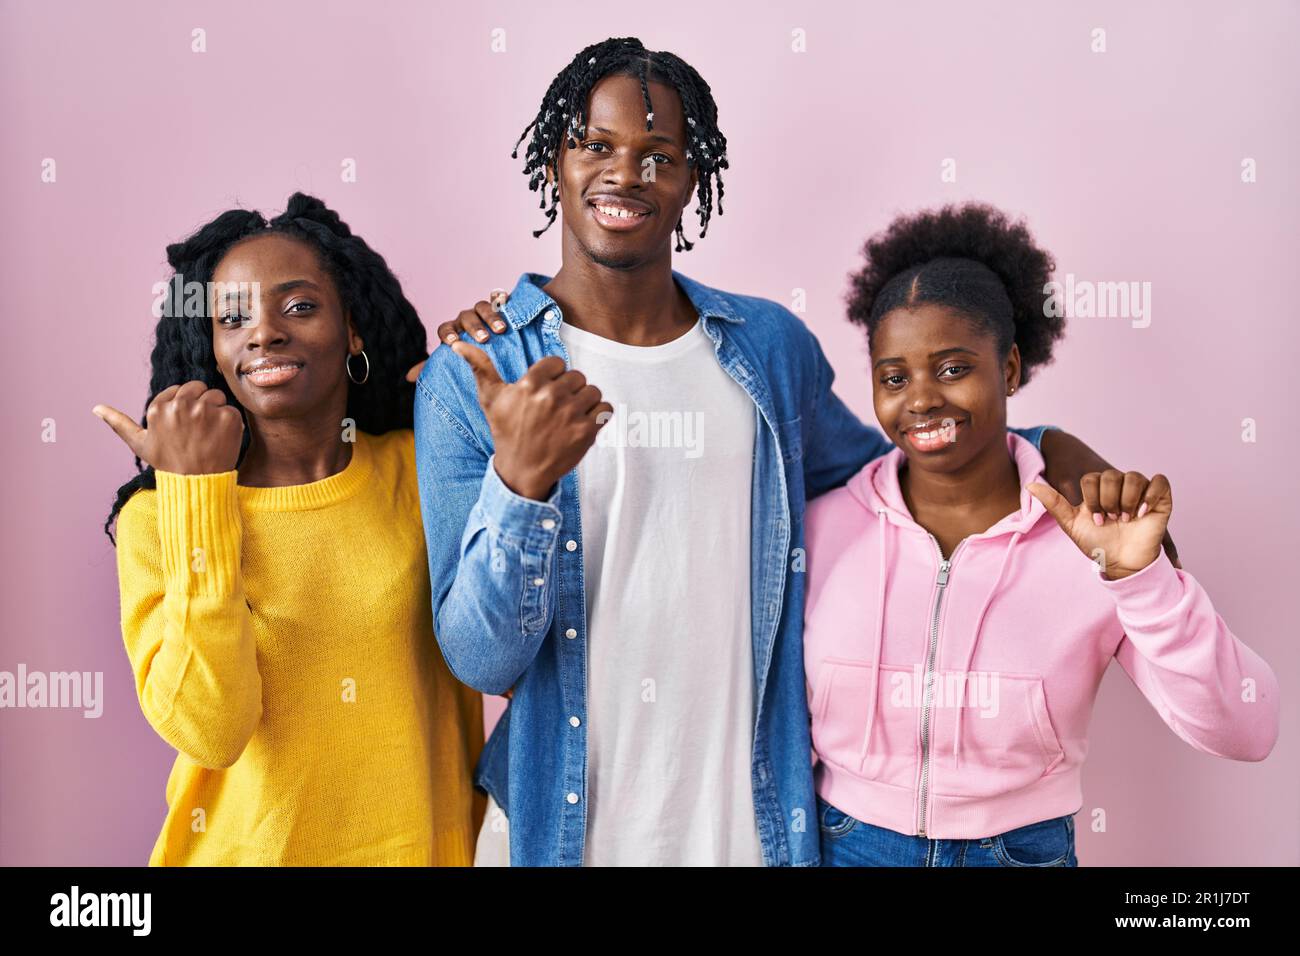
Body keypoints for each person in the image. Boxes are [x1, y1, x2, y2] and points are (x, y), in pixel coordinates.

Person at [412, 38, 1123, 866]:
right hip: (557, 826)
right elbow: (477, 657)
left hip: (752, 823)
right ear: (553, 164)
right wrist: (522, 484)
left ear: (693, 181)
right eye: (594, 146)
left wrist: (1044, 447)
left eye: (659, 156)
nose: (623, 174)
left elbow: (893, 475)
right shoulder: (474, 376)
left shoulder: (769, 351)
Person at [804, 202, 1279, 866]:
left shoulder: (1091, 536)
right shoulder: (823, 527)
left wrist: (1143, 582)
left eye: (951, 368)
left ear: (1010, 368)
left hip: (1021, 852)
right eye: (894, 377)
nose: (920, 400)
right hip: (843, 846)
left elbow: (1246, 729)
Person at [96, 193, 485, 865]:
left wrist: (488, 389)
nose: (265, 333)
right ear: (211, 349)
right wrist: (197, 494)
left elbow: (517, 643)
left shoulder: (425, 472)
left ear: (354, 329)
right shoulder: (158, 519)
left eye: (299, 307)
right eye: (234, 317)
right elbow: (210, 730)